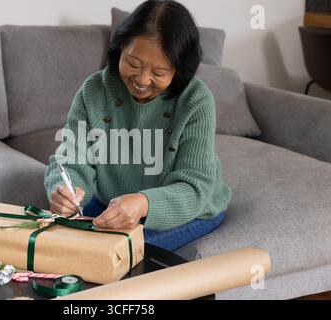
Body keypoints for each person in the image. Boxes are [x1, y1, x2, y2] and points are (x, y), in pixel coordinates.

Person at [44, 0, 232, 251]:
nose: (142, 80)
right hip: (109, 202)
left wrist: (144, 203)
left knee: (114, 254)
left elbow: (194, 187)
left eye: (160, 72)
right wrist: (65, 190)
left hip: (187, 208)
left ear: (179, 70)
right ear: (120, 47)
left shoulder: (196, 100)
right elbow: (71, 159)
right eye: (133, 63)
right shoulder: (95, 90)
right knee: (53, 238)